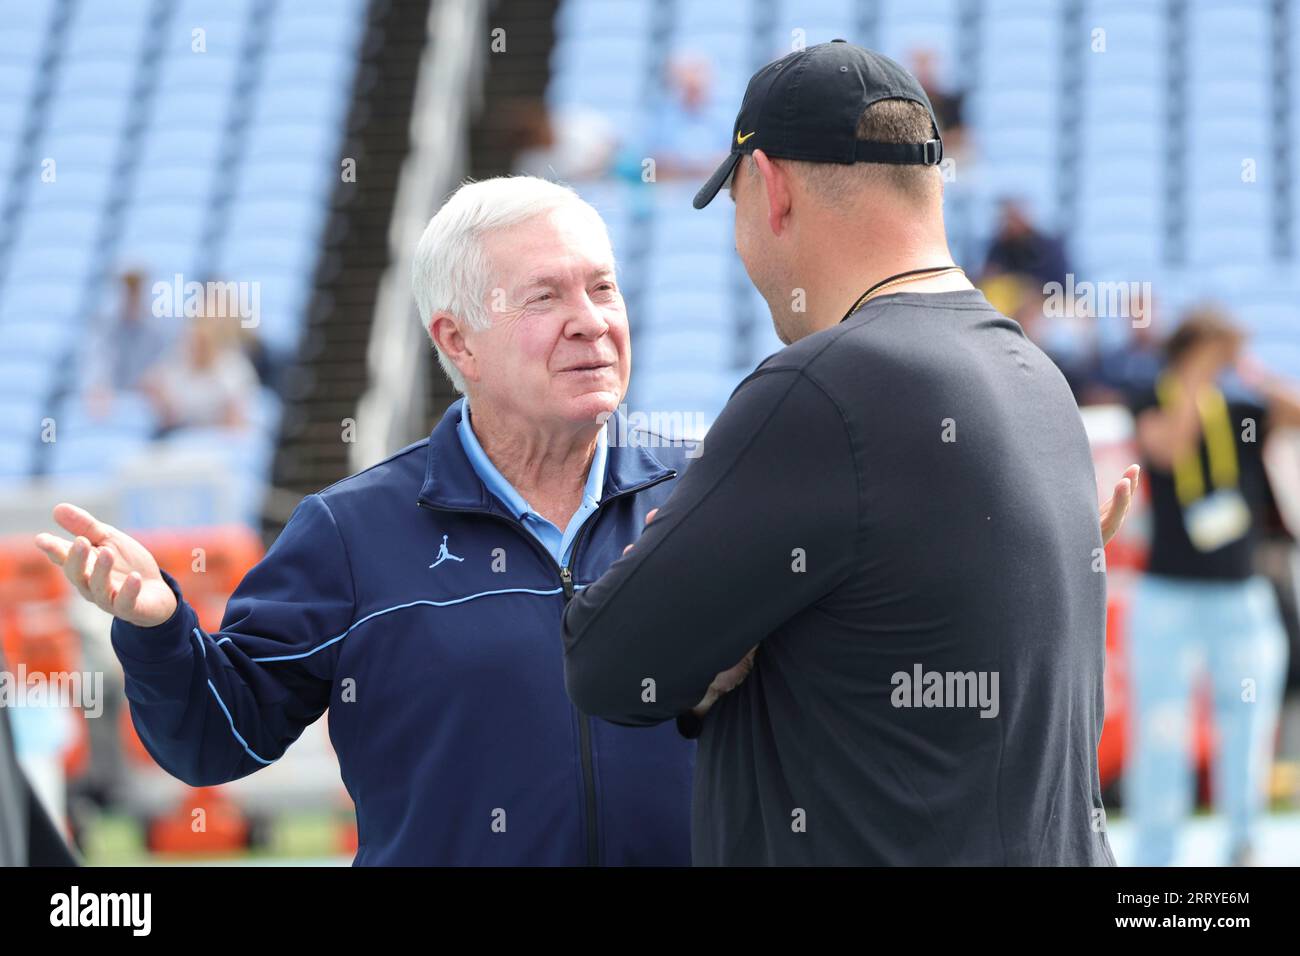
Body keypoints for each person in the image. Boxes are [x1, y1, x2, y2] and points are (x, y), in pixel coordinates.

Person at [562, 41, 1139, 865]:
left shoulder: (822, 389)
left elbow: (606, 664)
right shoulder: (1035, 375)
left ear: (770, 186)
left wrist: (717, 641)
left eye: (732, 205)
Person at [34, 177, 698, 866]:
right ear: (458, 341)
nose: (590, 319)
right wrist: (156, 629)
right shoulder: (350, 533)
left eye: (603, 288)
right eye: (545, 296)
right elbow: (214, 740)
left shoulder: (707, 497)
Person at [1125, 306, 1300, 866]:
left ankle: (1243, 844)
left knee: (1248, 729)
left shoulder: (1241, 406)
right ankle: (1156, 863)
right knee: (1161, 734)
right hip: (1168, 595)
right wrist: (1194, 377)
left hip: (1239, 594)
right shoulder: (1151, 397)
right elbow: (1168, 449)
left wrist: (1248, 368)